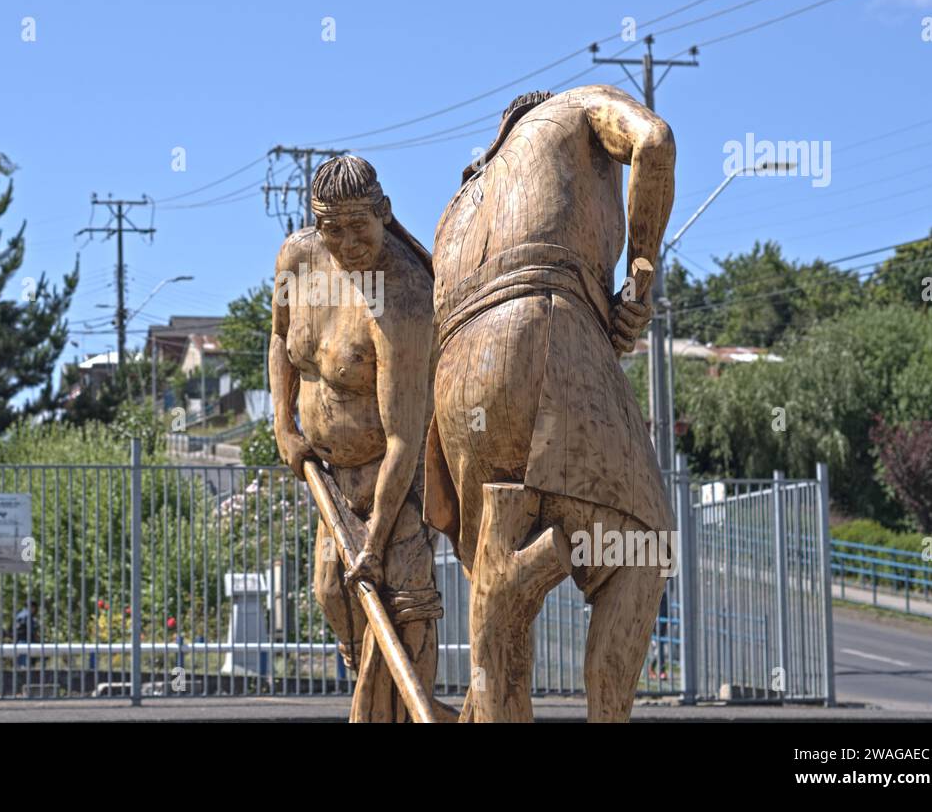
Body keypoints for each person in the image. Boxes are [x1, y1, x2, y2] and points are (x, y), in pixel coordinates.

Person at [426, 85, 677, 722]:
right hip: (542, 333)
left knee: (498, 579)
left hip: (456, 390)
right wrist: (640, 279)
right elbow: (654, 141)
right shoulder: (578, 105)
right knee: (643, 548)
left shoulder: (460, 203)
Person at [269, 155, 441, 723]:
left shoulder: (403, 298)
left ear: (384, 212)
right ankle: (377, 699)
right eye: (332, 228)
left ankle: (401, 709)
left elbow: (404, 439)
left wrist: (376, 538)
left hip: (400, 476)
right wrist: (283, 425)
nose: (346, 243)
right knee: (332, 594)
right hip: (331, 478)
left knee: (405, 608)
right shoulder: (298, 258)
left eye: (358, 226)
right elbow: (280, 340)